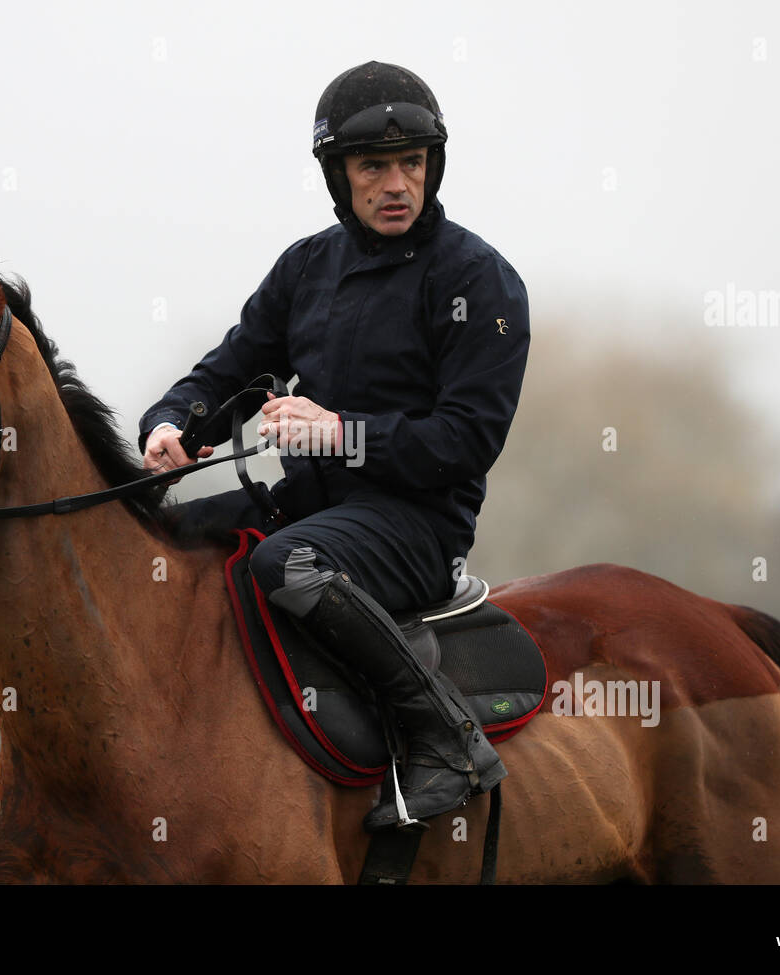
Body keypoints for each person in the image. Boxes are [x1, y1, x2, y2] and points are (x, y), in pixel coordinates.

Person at [139, 61, 530, 831]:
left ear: (432, 167)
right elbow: (232, 365)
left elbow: (464, 442)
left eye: (411, 163)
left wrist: (339, 432)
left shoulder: (479, 280)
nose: (395, 183)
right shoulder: (308, 266)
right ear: (338, 174)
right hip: (312, 501)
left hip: (417, 524)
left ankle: (444, 741)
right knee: (157, 533)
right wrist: (173, 421)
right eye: (373, 165)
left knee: (287, 562)